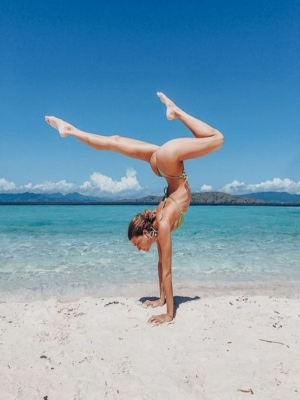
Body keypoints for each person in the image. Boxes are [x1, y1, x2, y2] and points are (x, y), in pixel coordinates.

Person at [45, 92, 224, 325]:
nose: (138, 249)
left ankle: (176, 112)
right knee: (115, 141)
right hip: (162, 164)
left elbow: (167, 271)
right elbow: (163, 266)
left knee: (217, 138)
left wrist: (168, 314)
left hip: (167, 161)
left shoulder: (161, 224)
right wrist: (161, 300)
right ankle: (70, 130)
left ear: (146, 233)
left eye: (137, 244)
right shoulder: (160, 226)